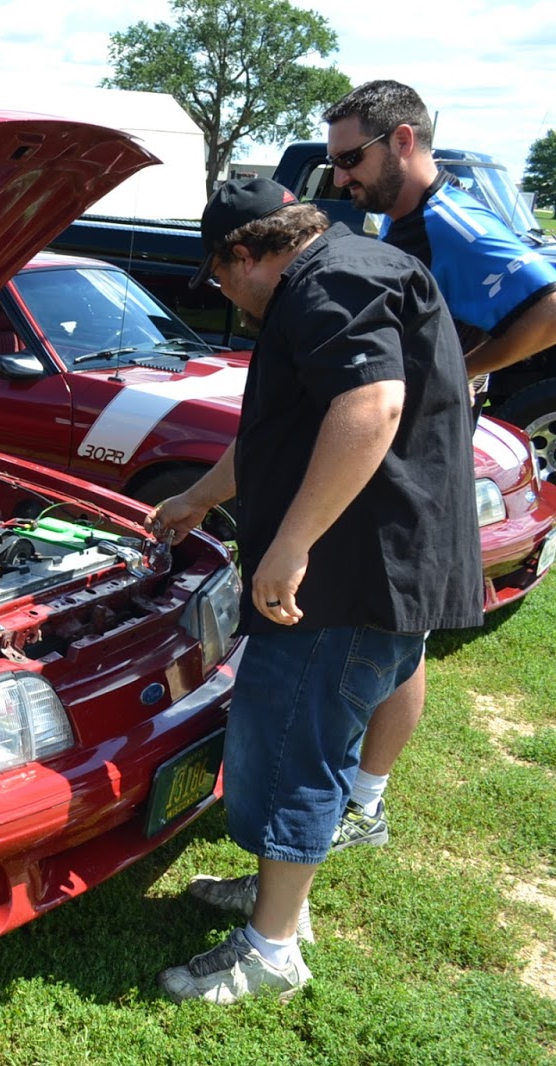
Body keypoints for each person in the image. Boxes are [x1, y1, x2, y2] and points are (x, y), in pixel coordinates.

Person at [147, 177, 483, 1003]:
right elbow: (285, 431)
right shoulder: (357, 261)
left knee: (296, 741)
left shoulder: (324, 283)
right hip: (389, 560)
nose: (227, 296)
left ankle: (270, 952)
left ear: (244, 253)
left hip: (345, 574)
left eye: (221, 280)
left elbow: (369, 405)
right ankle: (276, 895)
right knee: (314, 727)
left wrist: (290, 545)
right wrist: (200, 497)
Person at [312, 80, 556, 850]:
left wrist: (467, 363)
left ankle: (366, 803)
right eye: (335, 163)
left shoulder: (451, 221)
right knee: (386, 625)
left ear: (405, 140)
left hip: (426, 459)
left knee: (404, 630)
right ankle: (355, 783)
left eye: (351, 158)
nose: (342, 177)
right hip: (395, 449)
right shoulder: (401, 220)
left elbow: (549, 307)